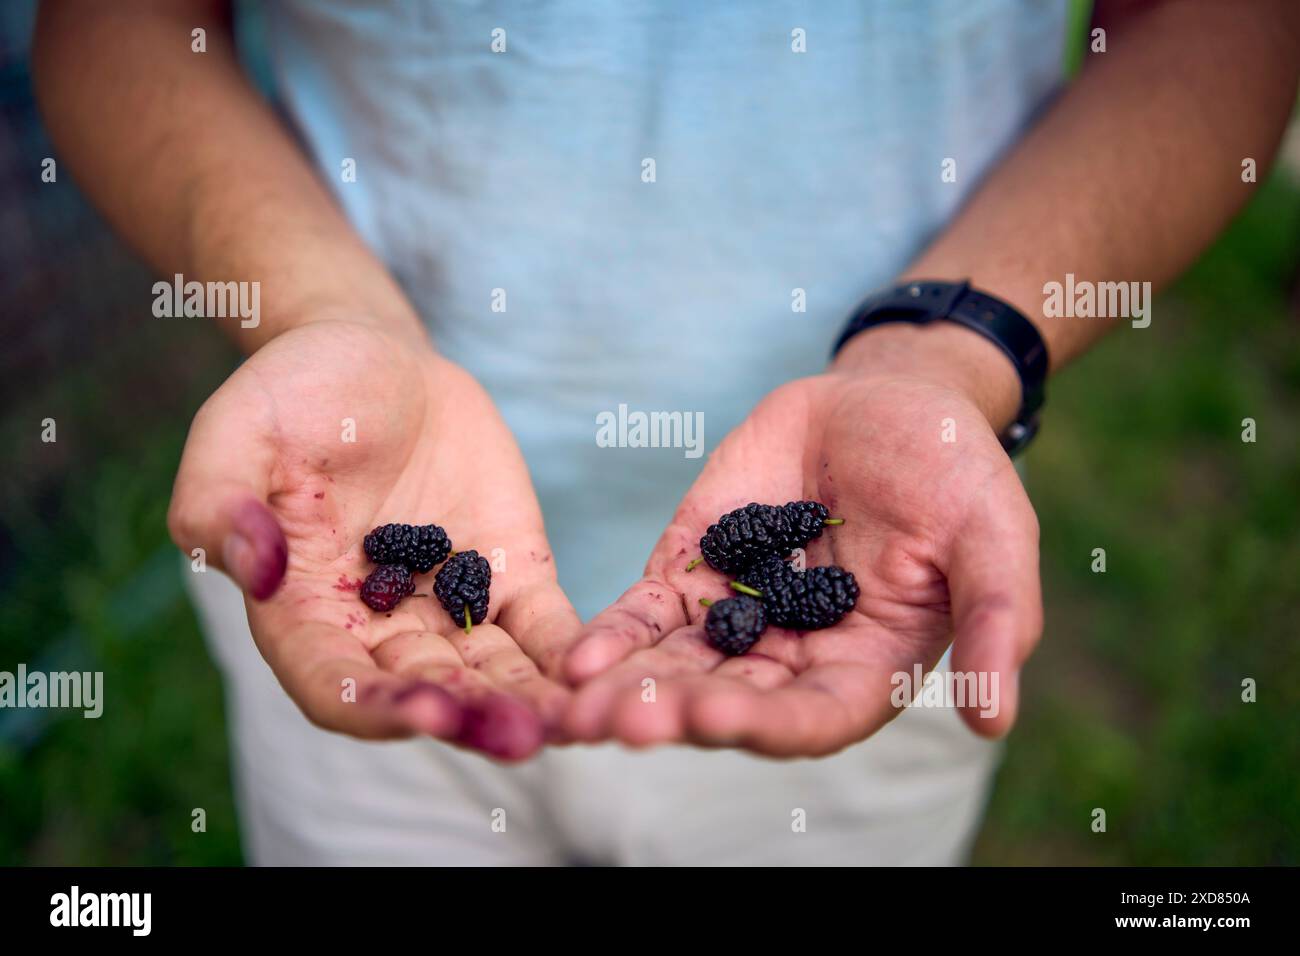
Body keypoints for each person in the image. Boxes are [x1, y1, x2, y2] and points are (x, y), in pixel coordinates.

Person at [33, 0, 1299, 865]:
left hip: (886, 578)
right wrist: (324, 312)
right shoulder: (382, 567)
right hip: (349, 596)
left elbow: (1217, 29)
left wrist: (947, 353)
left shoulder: (832, 570)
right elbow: (110, 26)